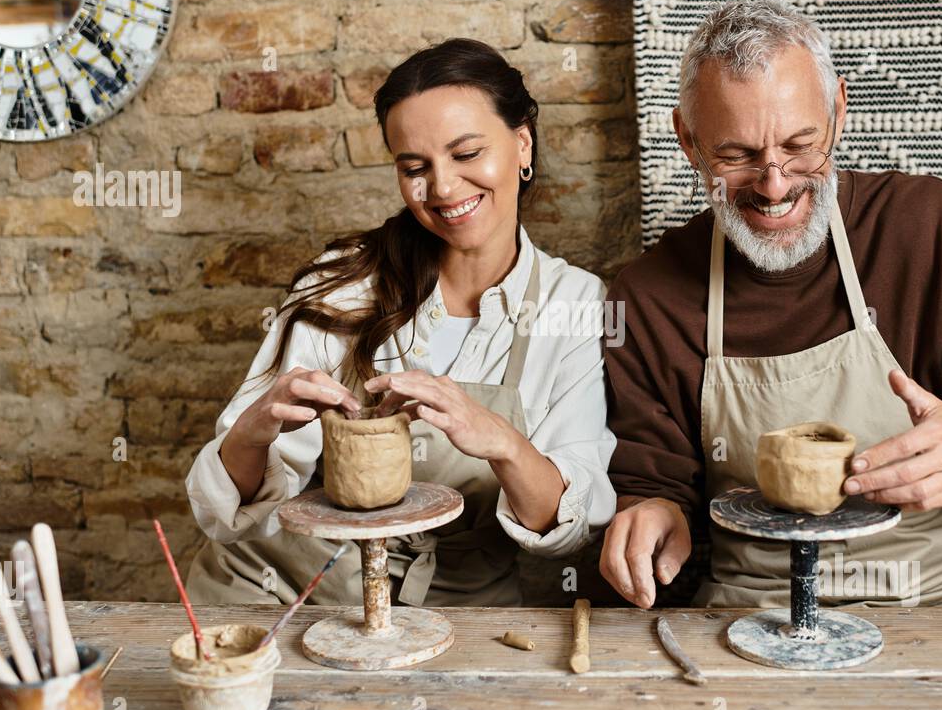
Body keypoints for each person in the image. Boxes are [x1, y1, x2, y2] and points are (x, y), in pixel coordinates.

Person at [601, 0, 942, 609]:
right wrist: (650, 519)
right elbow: (653, 485)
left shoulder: (930, 230)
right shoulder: (650, 296)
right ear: (688, 141)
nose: (775, 185)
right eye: (737, 156)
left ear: (838, 111)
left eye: (801, 145)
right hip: (758, 617)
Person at [184, 38, 617, 606]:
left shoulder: (576, 302)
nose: (441, 188)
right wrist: (256, 427)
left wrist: (500, 440)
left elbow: (563, 533)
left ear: (522, 144)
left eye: (466, 154)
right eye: (415, 167)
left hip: (462, 610)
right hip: (290, 592)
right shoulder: (342, 282)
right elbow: (227, 513)